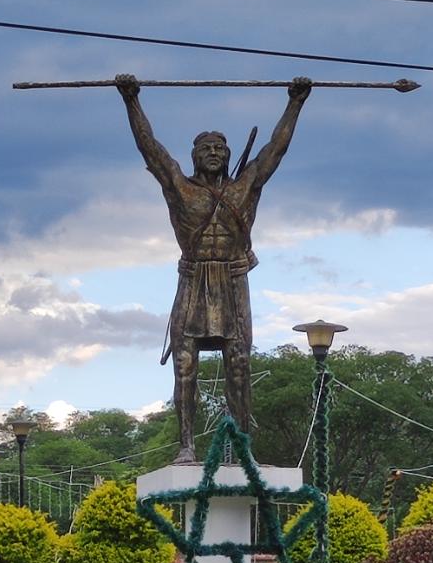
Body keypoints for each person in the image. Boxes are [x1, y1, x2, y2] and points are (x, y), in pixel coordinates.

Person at [116, 74, 312, 463]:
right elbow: (150, 149)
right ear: (194, 156)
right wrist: (131, 100)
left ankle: (241, 447)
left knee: (239, 367)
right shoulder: (180, 187)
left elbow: (276, 149)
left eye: (220, 148)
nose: (214, 153)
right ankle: (186, 447)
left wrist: (296, 102)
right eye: (206, 148)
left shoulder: (245, 187)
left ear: (228, 155)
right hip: (193, 280)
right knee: (185, 366)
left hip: (233, 280)